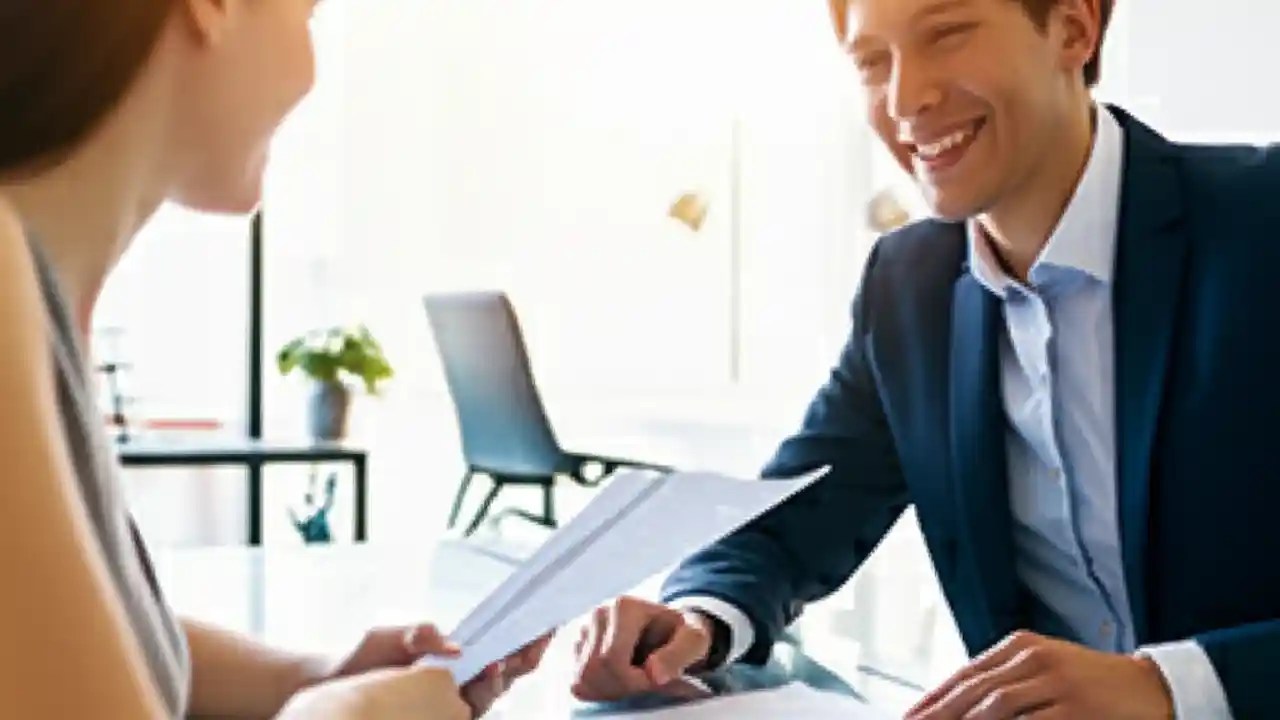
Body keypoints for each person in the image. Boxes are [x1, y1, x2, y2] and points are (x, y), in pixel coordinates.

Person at [572, 0, 1280, 717]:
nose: (906, 99)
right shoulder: (909, 286)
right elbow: (795, 516)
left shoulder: (1261, 221)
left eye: (947, 35)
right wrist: (698, 620)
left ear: (1074, 27)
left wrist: (1172, 687)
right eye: (873, 63)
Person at [0, 2, 549, 718]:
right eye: (309, 15)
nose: (311, 74)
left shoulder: (40, 303)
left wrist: (310, 677)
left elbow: (72, 635)